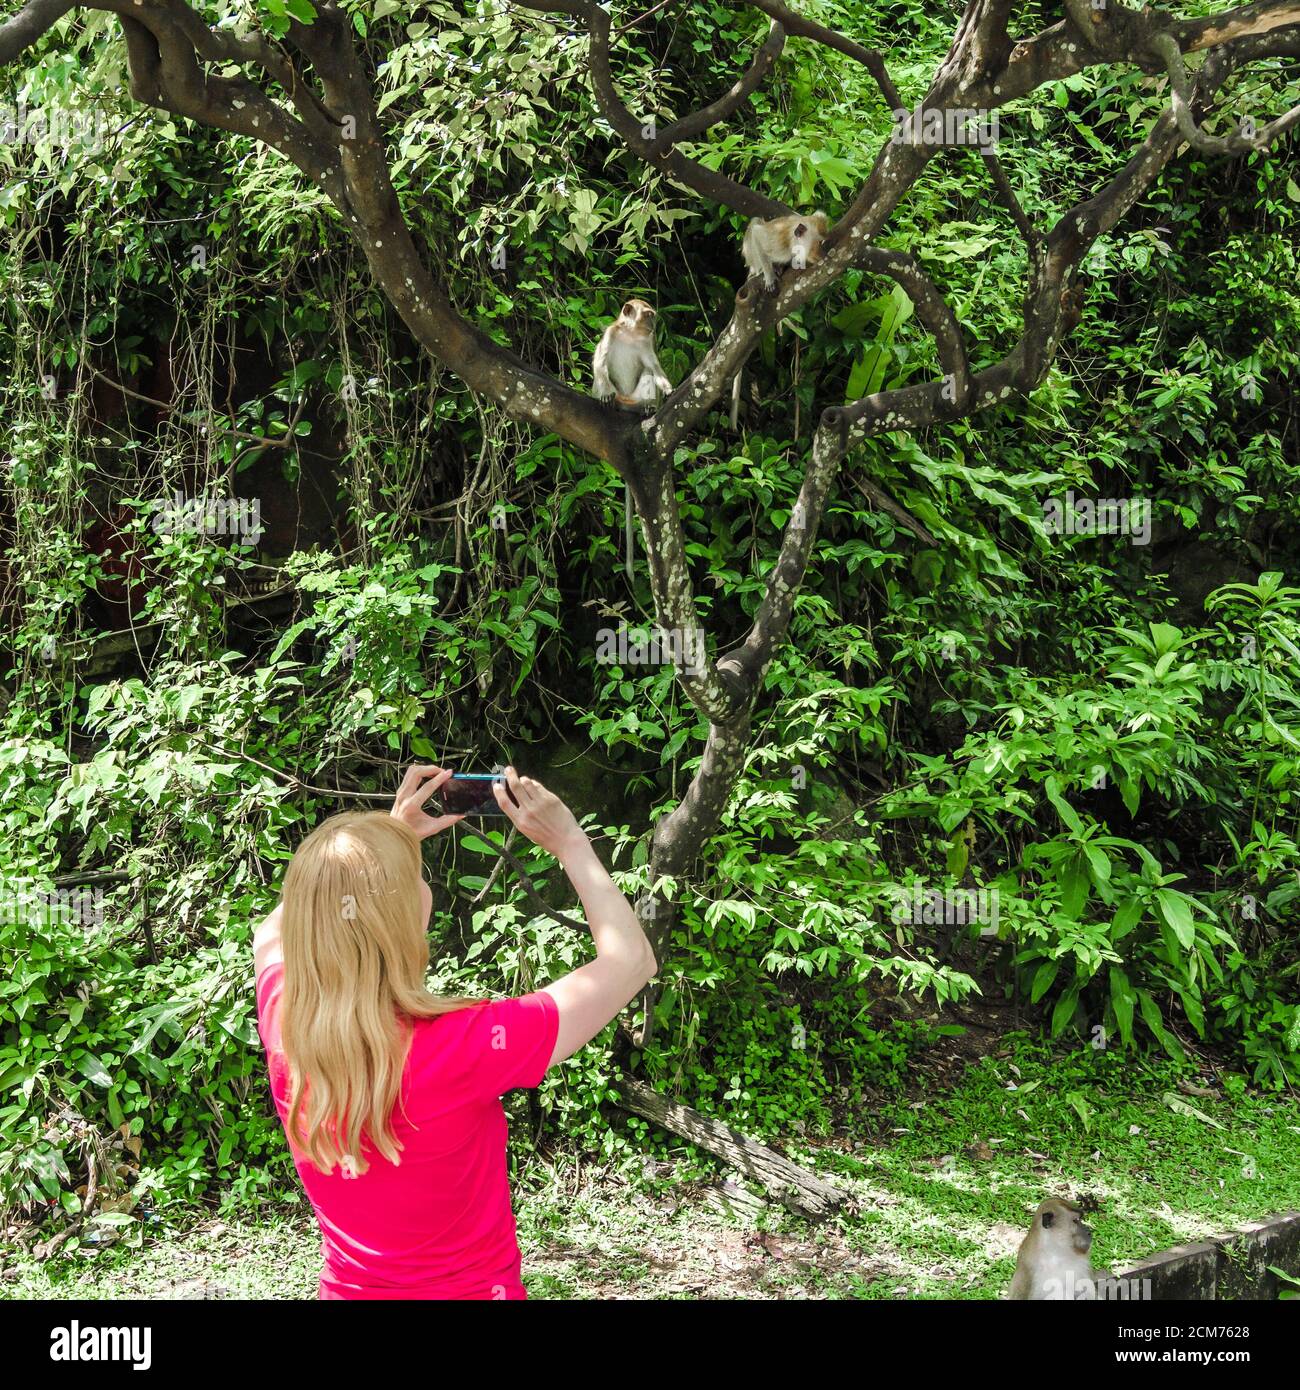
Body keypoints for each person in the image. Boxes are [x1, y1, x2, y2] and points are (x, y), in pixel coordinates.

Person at [252, 764, 656, 1300]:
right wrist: (571, 844)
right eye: (413, 878)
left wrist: (380, 844)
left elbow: (272, 932)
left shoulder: (287, 1022)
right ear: (401, 914)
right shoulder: (464, 1044)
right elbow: (631, 960)